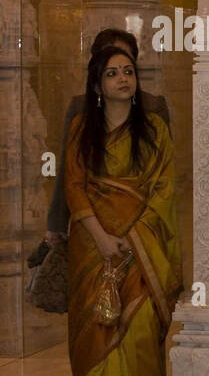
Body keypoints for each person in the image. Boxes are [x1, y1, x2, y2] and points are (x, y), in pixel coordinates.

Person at [64, 44, 182, 376]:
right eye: (112, 73)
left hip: (140, 246)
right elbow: (73, 187)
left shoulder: (154, 129)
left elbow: (165, 189)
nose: (122, 79)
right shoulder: (82, 129)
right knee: (96, 330)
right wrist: (99, 236)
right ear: (98, 84)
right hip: (92, 247)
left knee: (140, 326)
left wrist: (134, 237)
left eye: (128, 71)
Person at [47, 29, 170, 245]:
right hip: (91, 230)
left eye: (126, 67)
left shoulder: (154, 110)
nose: (121, 77)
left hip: (140, 230)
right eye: (110, 70)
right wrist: (57, 224)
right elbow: (70, 177)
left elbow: (162, 175)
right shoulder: (80, 110)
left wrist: (140, 233)